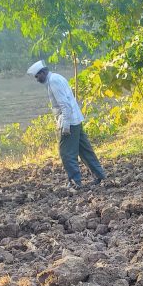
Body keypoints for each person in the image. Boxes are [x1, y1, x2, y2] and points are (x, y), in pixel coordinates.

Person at [26, 61, 106, 190]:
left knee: (66, 154)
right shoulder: (58, 77)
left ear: (43, 72)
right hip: (76, 119)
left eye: (37, 76)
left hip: (68, 121)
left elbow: (64, 104)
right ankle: (100, 176)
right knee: (85, 151)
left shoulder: (53, 82)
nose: (37, 79)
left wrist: (66, 125)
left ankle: (75, 182)